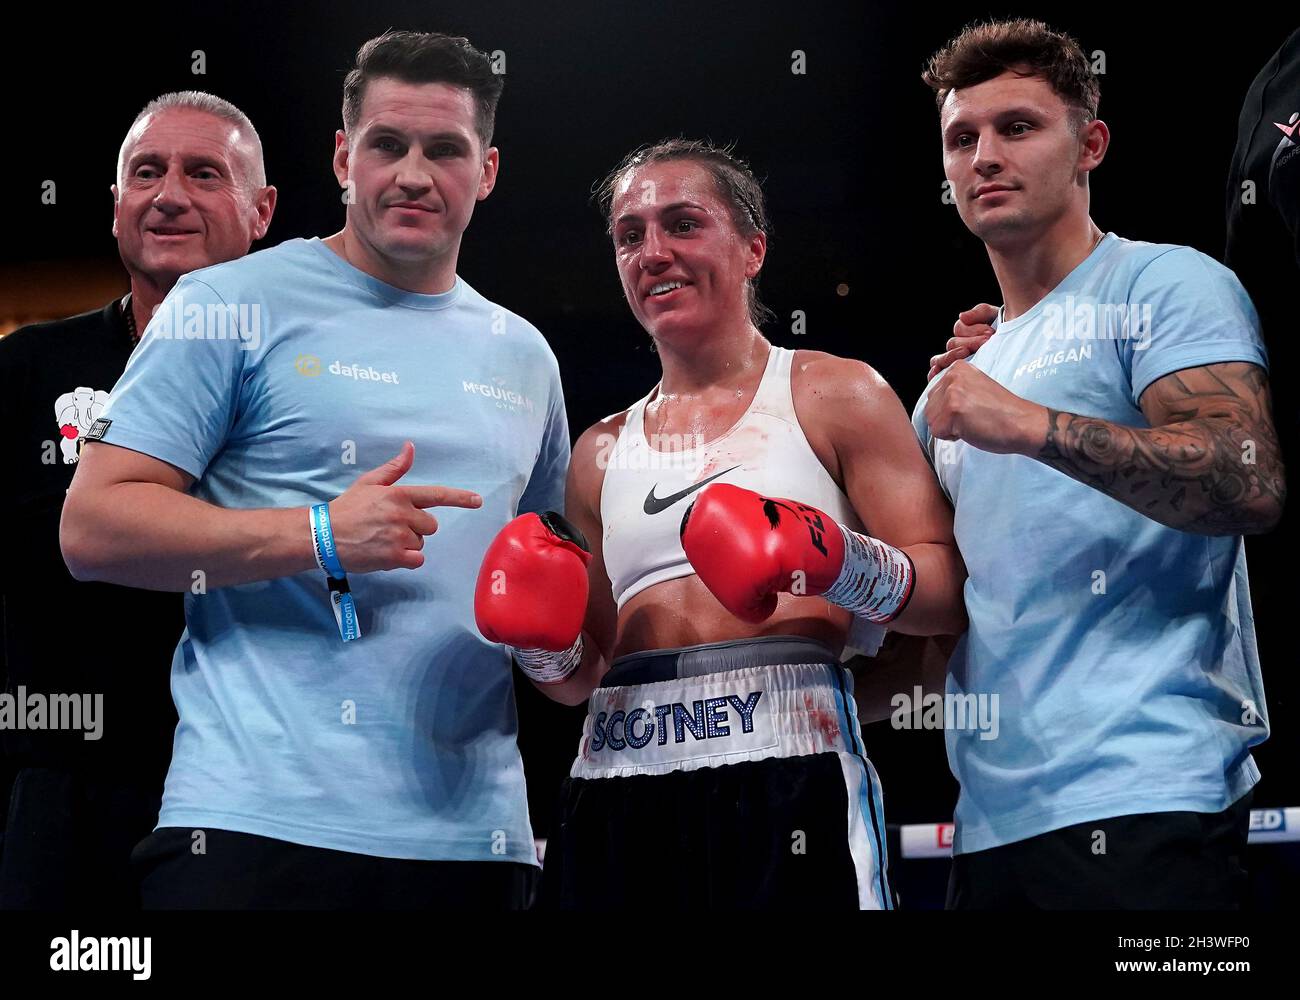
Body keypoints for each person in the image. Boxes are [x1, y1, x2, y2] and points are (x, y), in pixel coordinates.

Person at [60, 31, 569, 909]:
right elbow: (93, 527)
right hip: (255, 829)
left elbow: (554, 590)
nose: (413, 174)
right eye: (387, 145)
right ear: (343, 155)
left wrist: (562, 642)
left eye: (444, 150)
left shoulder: (525, 354)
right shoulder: (227, 303)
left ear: (485, 171)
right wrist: (318, 533)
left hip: (477, 844)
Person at [475, 138, 967, 909]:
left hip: (790, 763)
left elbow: (947, 591)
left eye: (683, 223)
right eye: (630, 235)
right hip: (616, 774)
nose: (653, 252)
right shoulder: (598, 451)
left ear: (752, 248)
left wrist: (835, 558)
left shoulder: (834, 392)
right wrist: (541, 646)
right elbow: (587, 675)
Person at [913, 18, 1284, 909]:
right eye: (962, 139)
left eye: (1018, 126)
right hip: (991, 823)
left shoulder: (1163, 285)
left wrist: (1032, 423)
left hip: (1153, 799)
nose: (985, 156)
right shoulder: (949, 390)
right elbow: (945, 624)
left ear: (1091, 145)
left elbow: (1249, 481)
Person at [0, 91, 275, 909]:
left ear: (262, 210)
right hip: (68, 788)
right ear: (117, 204)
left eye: (203, 173)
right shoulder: (27, 367)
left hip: (257, 786)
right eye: (146, 172)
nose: (169, 194)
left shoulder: (310, 382)